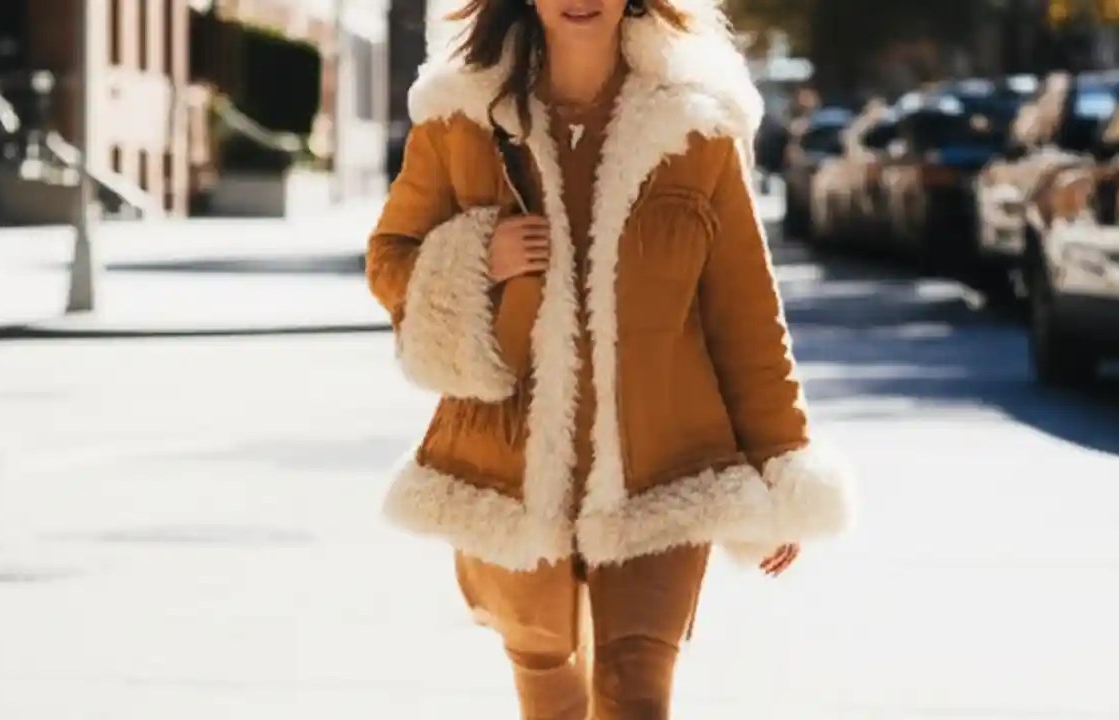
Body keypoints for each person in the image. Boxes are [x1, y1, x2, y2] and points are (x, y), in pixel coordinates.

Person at [365, 0, 853, 717]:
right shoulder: (459, 116)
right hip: (509, 476)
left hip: (663, 474)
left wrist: (783, 466)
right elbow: (389, 261)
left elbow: (745, 316)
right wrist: (475, 258)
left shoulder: (694, 127)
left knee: (634, 692)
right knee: (553, 693)